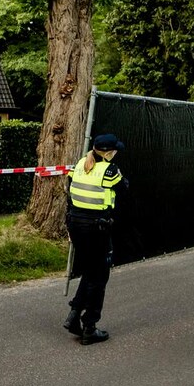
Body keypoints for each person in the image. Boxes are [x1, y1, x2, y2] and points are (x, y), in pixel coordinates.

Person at [63, 133, 128, 345]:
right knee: (99, 277)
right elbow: (123, 188)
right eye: (115, 149)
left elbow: (70, 188)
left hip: (77, 225)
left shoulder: (80, 163)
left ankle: (74, 314)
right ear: (109, 152)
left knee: (90, 271)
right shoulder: (110, 170)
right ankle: (89, 327)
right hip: (97, 228)